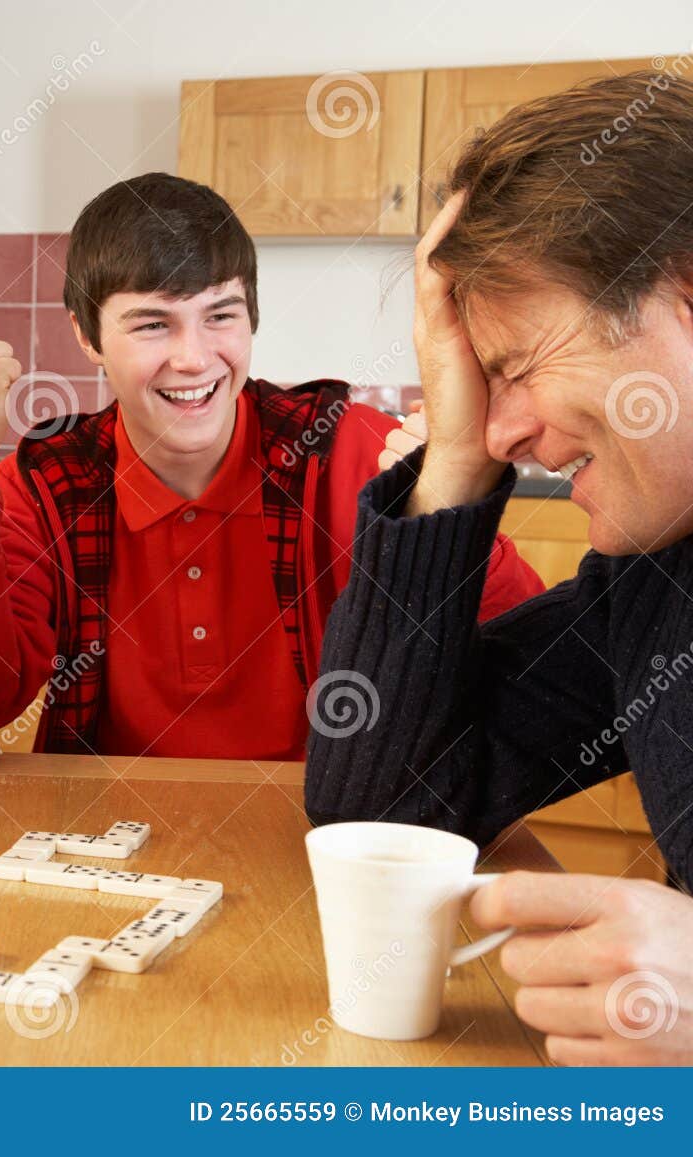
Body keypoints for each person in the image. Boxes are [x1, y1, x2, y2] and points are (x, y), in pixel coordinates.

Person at [305, 71, 693, 1065]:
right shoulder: (651, 576)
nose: (507, 428)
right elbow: (383, 807)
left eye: (515, 366)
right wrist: (456, 458)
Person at [0, 172, 543, 759]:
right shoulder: (45, 481)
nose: (193, 358)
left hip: (315, 833)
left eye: (220, 316)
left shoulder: (351, 449)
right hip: (101, 834)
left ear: (252, 318)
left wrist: (452, 513)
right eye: (153, 324)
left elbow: (524, 654)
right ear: (87, 335)